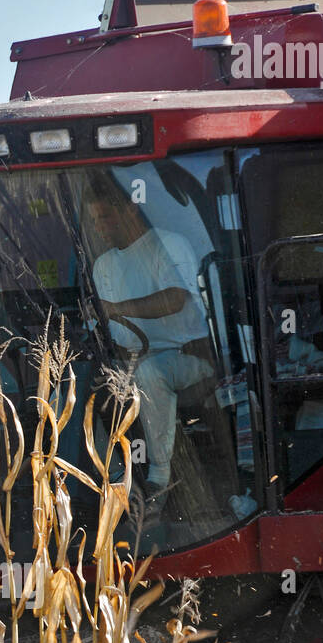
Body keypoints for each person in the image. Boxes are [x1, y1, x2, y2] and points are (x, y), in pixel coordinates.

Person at [86, 179, 214, 506]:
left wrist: (118, 309)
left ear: (130, 210)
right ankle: (109, 477)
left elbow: (175, 299)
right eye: (95, 220)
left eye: (106, 217)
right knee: (85, 381)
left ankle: (159, 477)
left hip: (188, 357)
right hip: (128, 361)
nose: (100, 227)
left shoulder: (168, 245)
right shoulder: (103, 265)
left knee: (150, 373)